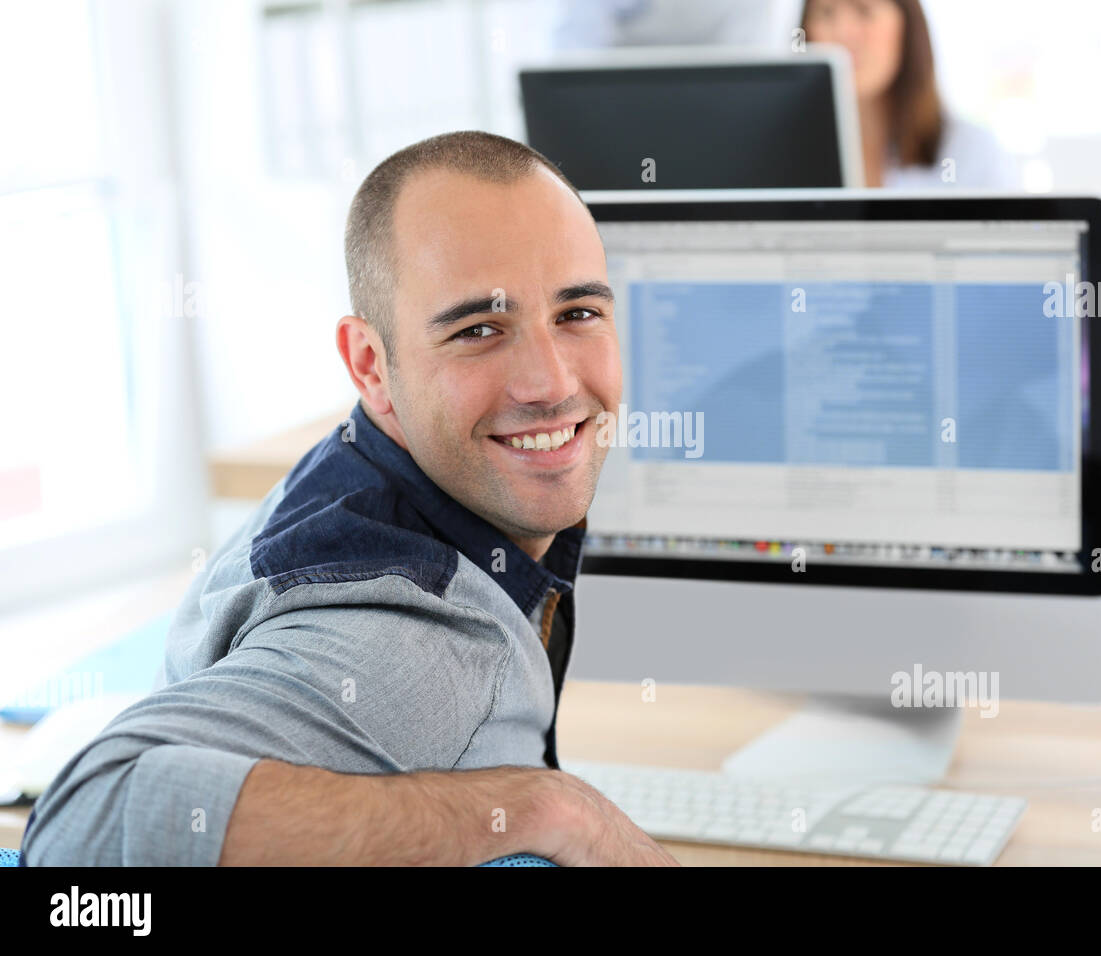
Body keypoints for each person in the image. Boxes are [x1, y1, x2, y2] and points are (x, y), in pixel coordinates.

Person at [21, 131, 678, 867]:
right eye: (480, 330)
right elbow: (82, 827)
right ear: (371, 364)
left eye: (577, 313)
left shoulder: (357, 463)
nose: (552, 382)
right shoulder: (416, 649)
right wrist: (547, 808)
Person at [800, 0, 1018, 188]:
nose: (843, 33)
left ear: (907, 27)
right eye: (826, 12)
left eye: (864, 10)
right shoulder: (786, 153)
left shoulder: (972, 150)